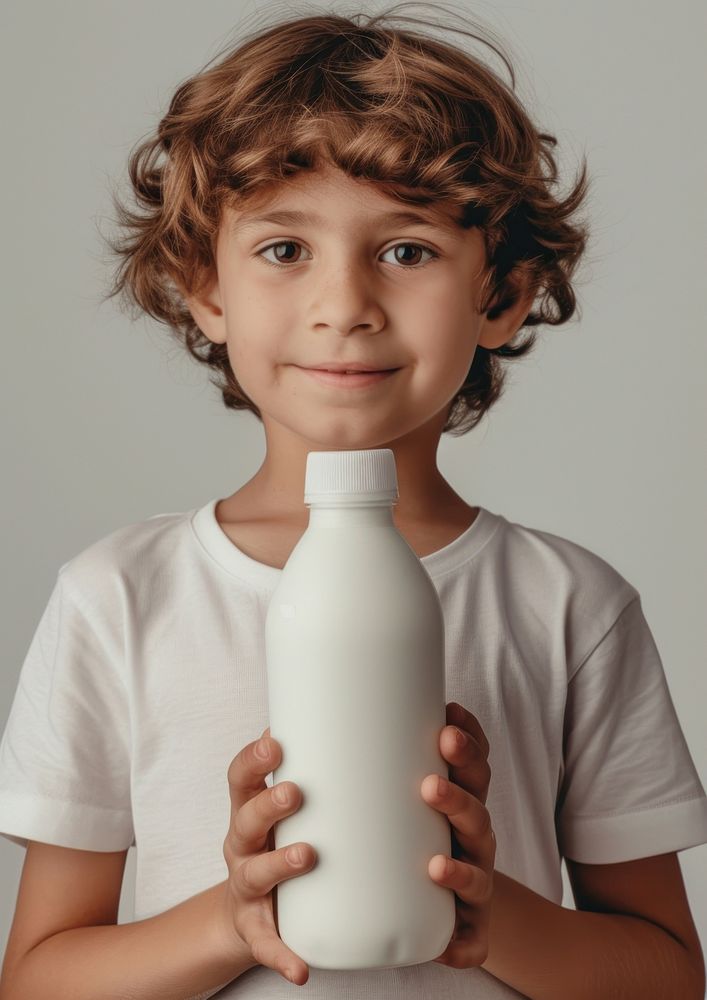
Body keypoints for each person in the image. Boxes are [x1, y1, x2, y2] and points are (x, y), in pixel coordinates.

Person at [0, 4, 705, 998]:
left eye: (407, 251)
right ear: (206, 287)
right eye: (284, 250)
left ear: (500, 294)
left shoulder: (566, 605)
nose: (344, 307)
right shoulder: (119, 597)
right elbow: (36, 977)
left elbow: (666, 974)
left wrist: (490, 915)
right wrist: (230, 918)